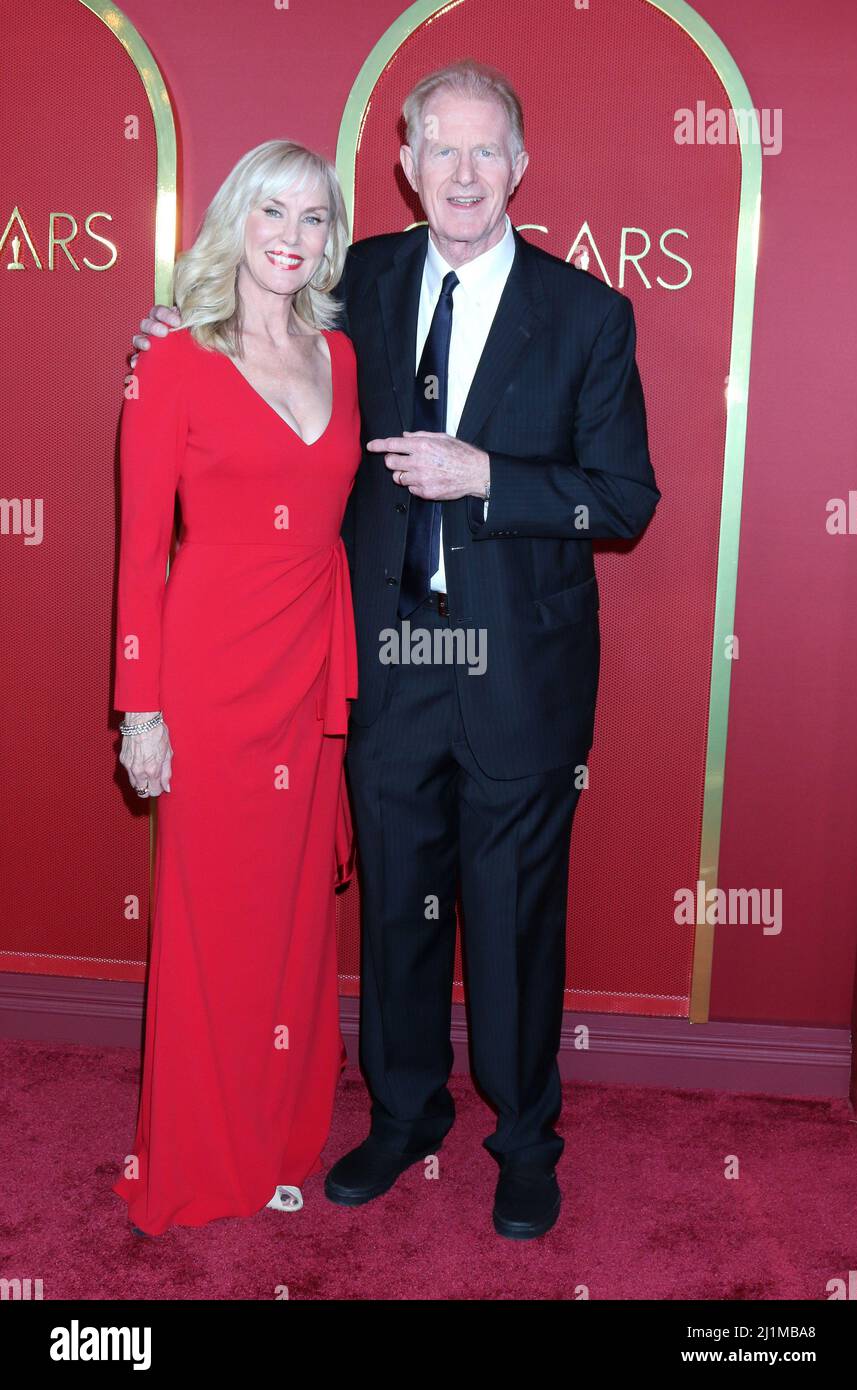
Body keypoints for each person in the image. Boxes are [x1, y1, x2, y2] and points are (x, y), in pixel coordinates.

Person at [133, 59, 660, 1241]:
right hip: (378, 664)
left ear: (518, 168)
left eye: (487, 152)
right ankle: (404, 1111)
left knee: (514, 916)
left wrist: (493, 480)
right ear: (406, 169)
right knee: (398, 910)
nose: (463, 174)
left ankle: (524, 1138)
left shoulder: (585, 314)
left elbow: (623, 500)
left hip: (519, 673)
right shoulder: (354, 279)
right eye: (440, 150)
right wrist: (168, 326)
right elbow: (242, 337)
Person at [114, 139, 360, 1235]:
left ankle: (277, 1136)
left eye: (314, 218)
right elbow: (136, 553)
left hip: (311, 676)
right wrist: (140, 708)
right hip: (209, 678)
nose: (292, 237)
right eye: (273, 212)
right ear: (235, 221)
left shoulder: (340, 355)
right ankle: (201, 1154)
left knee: (296, 924)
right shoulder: (172, 358)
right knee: (215, 924)